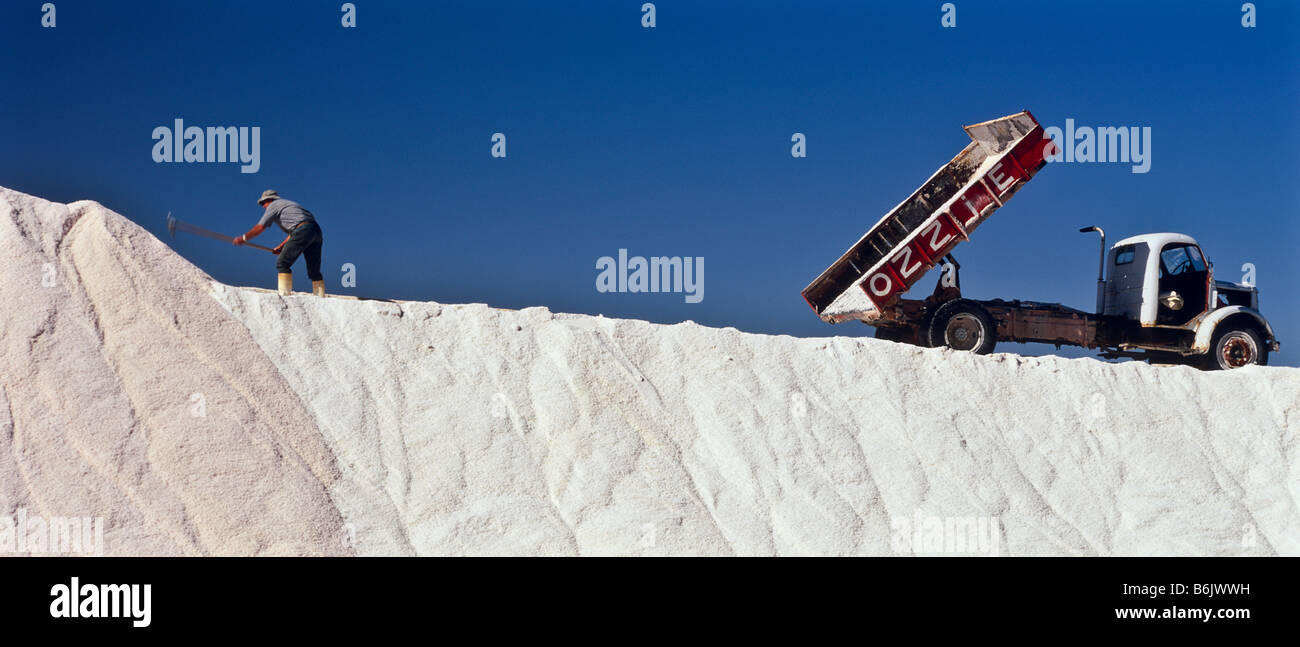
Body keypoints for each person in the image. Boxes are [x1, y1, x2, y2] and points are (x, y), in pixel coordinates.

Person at [234, 190, 325, 297]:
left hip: (303, 231)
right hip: (316, 231)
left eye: (263, 203)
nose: (263, 206)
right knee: (314, 271)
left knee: (282, 263)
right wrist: (281, 247)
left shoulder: (274, 205)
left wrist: (244, 238)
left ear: (269, 200)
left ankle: (284, 295)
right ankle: (320, 296)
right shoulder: (289, 205)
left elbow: (260, 227)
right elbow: (296, 230)